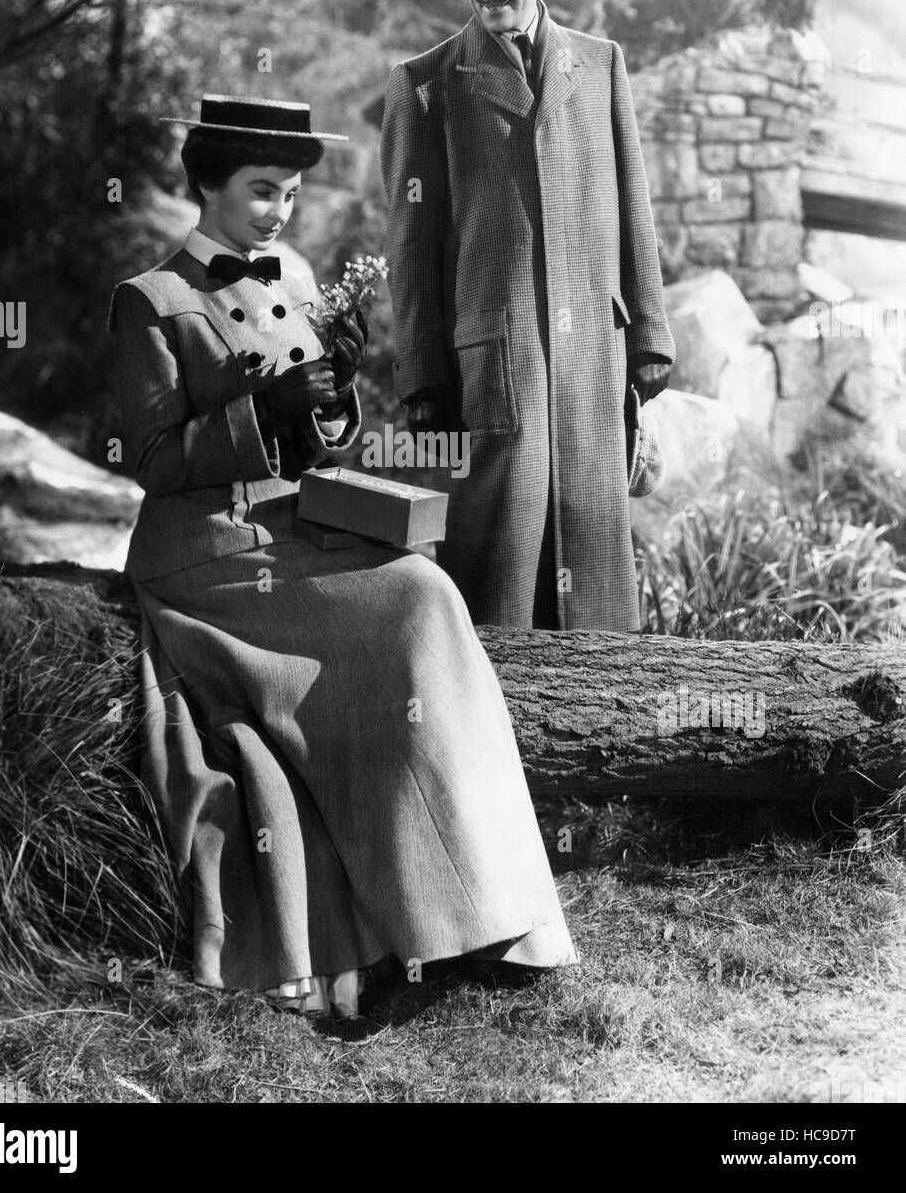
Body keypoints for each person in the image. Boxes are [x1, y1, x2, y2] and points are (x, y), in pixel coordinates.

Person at [108, 94, 577, 1019]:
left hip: (289, 527)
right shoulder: (151, 301)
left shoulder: (297, 271)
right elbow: (153, 464)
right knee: (406, 610)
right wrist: (260, 412)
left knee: (423, 595)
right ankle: (428, 923)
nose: (277, 212)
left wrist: (335, 396)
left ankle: (491, 916)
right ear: (205, 181)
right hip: (202, 553)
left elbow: (319, 446)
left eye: (286, 194)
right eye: (258, 191)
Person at [381, 0, 676, 632]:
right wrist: (421, 376)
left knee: (597, 568)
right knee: (499, 573)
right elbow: (409, 249)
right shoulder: (424, 86)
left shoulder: (602, 66)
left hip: (592, 363)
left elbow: (632, 203)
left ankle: (608, 724)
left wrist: (649, 338)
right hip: (493, 358)